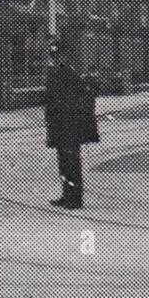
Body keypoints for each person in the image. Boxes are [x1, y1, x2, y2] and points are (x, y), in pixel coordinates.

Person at [45, 38, 87, 209]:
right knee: (64, 162)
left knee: (70, 162)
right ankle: (67, 195)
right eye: (54, 56)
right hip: (60, 125)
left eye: (58, 56)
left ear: (65, 56)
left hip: (69, 125)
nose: (56, 59)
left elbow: (77, 100)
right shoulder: (59, 73)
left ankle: (74, 198)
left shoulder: (68, 74)